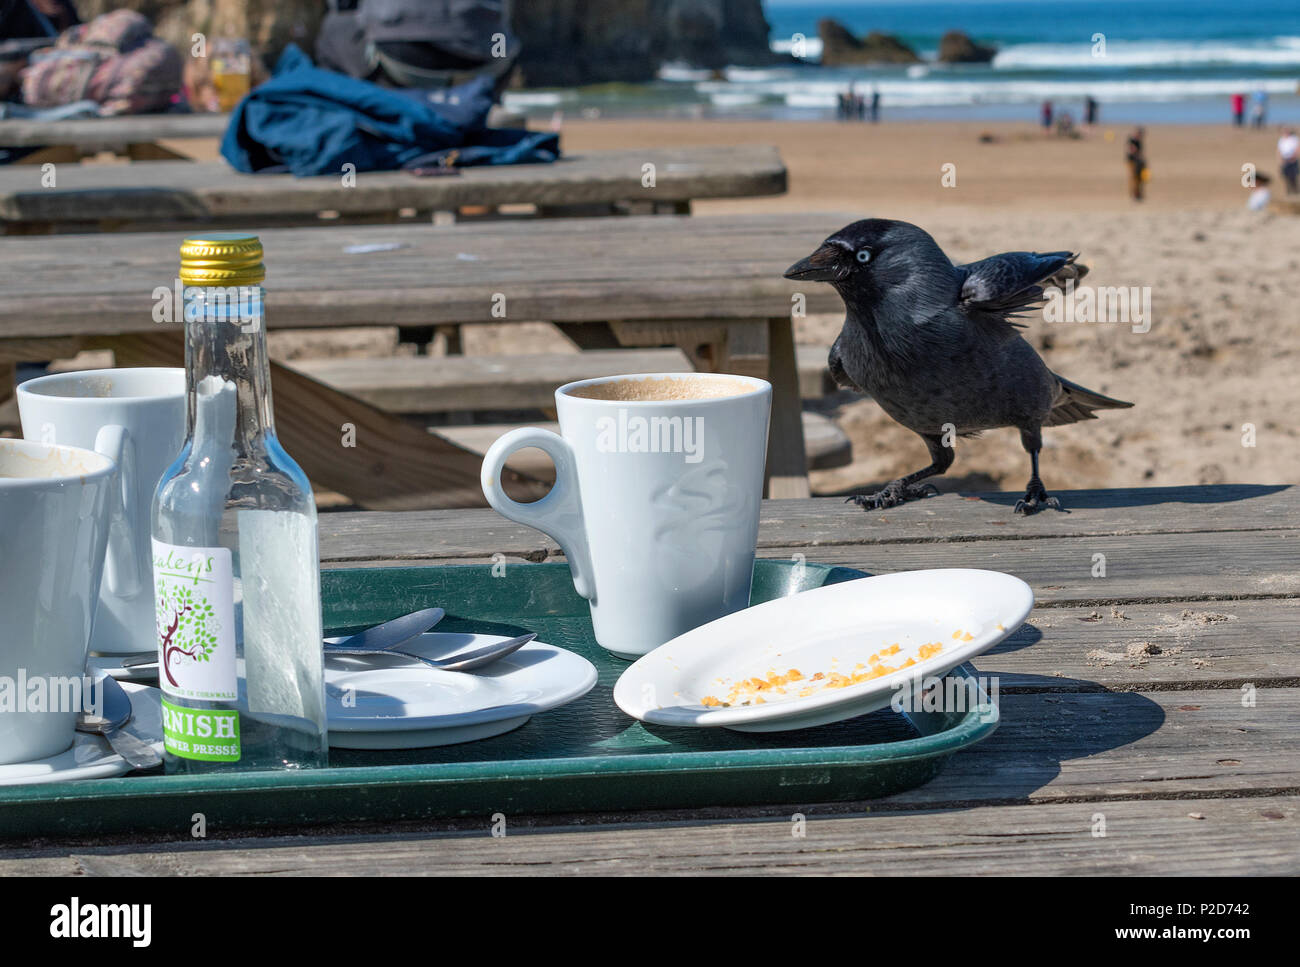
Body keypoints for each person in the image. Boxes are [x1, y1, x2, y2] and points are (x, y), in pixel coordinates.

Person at [1125, 126, 1146, 202]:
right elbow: (1131, 150)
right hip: (1132, 161)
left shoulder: (1139, 141)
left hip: (1139, 162)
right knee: (1133, 178)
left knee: (1140, 179)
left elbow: (1140, 152)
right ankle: (1133, 195)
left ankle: (1138, 194)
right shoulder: (1132, 140)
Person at [1279, 127, 1300, 195]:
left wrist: (1294, 157)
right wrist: (1280, 160)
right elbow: (1279, 150)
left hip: (1293, 159)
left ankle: (1295, 191)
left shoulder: (1294, 139)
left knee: (1293, 176)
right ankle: (1288, 191)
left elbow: (1298, 148)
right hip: (1285, 159)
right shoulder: (1281, 139)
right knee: (1285, 176)